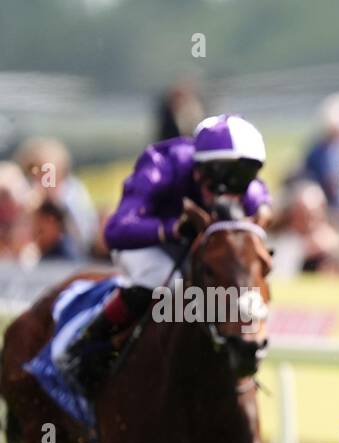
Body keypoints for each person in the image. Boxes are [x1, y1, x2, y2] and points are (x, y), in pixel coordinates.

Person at [58, 114, 272, 396]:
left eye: (243, 177)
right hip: (149, 245)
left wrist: (263, 216)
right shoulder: (162, 165)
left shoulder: (248, 190)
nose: (233, 188)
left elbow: (262, 203)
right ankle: (87, 344)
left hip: (199, 252)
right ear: (200, 168)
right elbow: (115, 230)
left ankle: (235, 351)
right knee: (165, 283)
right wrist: (171, 229)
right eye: (225, 175)